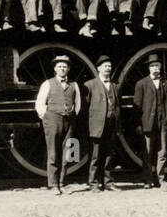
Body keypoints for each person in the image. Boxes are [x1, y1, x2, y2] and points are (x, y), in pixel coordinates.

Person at [34, 54, 81, 195]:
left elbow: (78, 103)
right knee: (53, 152)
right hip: (53, 119)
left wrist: (73, 115)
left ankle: (63, 183)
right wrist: (46, 117)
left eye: (65, 66)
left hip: (69, 121)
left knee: (68, 153)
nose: (62, 69)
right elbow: (40, 102)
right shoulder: (47, 83)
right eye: (59, 66)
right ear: (55, 69)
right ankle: (53, 184)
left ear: (68, 69)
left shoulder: (74, 85)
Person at [133, 54, 167, 188]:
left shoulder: (164, 83)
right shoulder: (141, 84)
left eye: (157, 66)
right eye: (153, 66)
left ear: (160, 67)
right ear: (149, 68)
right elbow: (136, 106)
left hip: (162, 123)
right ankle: (147, 180)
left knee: (162, 152)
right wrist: (138, 124)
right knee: (147, 153)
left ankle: (161, 179)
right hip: (147, 123)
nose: (155, 68)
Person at [84, 55, 119, 191]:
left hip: (111, 124)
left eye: (109, 66)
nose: (108, 69)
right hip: (97, 126)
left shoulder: (114, 86)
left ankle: (108, 182)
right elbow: (85, 108)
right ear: (98, 68)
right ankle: (93, 183)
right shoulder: (90, 85)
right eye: (105, 66)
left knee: (109, 155)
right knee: (95, 156)